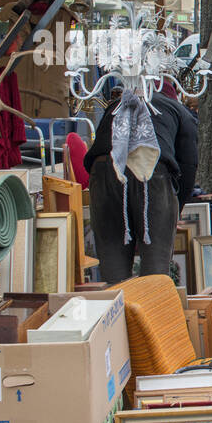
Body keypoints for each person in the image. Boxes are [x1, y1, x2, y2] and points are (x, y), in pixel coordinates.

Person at [86, 86, 198, 282]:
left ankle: (118, 306)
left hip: (105, 171)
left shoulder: (117, 105)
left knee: (113, 270)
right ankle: (150, 307)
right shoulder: (178, 111)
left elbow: (94, 154)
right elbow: (189, 167)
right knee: (155, 270)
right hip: (152, 174)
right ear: (175, 95)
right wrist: (175, 210)